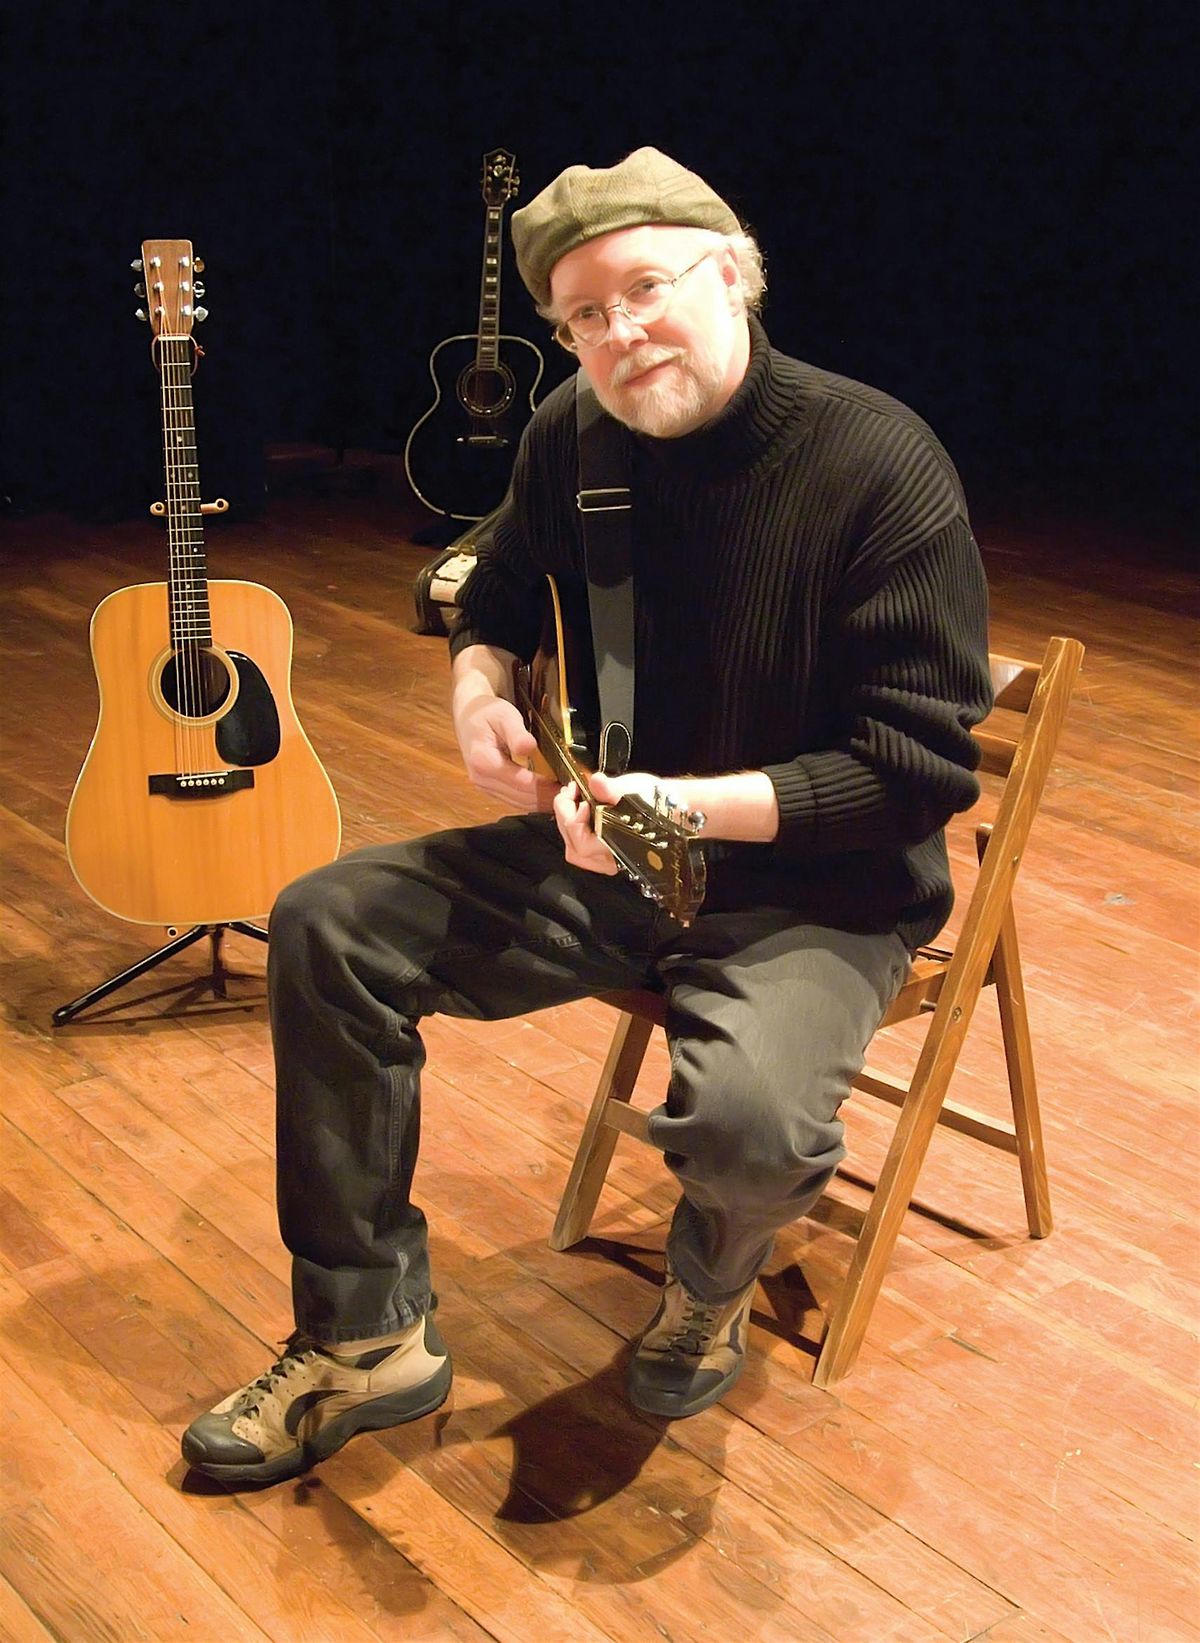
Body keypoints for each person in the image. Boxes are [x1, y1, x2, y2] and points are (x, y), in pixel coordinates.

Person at [182, 147, 992, 1486]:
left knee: (747, 1128)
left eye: (644, 291)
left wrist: (692, 804)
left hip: (817, 886)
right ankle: (364, 1337)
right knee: (328, 925)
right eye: (582, 318)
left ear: (731, 274)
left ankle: (711, 1287)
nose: (618, 336)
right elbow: (493, 587)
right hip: (617, 853)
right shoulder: (579, 431)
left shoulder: (876, 460)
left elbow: (914, 773)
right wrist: (476, 690)